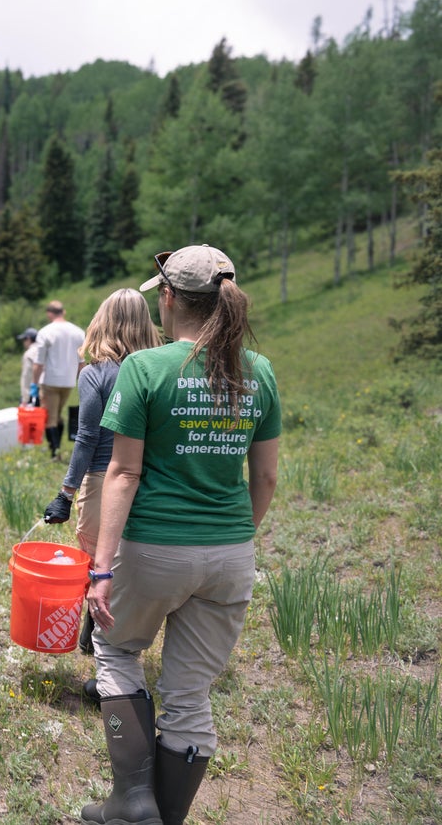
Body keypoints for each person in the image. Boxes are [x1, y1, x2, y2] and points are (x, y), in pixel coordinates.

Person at [80, 245, 280, 825]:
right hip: (230, 554)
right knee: (190, 694)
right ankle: (164, 819)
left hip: (153, 548)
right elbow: (264, 477)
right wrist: (234, 538)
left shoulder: (146, 368)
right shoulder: (258, 371)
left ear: (167, 297)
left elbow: (122, 472)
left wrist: (102, 567)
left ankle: (131, 800)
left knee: (116, 652)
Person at [42, 289, 160, 658]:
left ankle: (96, 639)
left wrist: (65, 493)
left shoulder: (96, 373)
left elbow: (88, 436)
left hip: (101, 478)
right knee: (128, 558)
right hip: (149, 479)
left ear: (102, 322)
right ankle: (108, 637)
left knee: (96, 559)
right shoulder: (158, 369)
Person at [32, 300, 86, 460]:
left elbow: (38, 363)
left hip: (50, 381)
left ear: (49, 313)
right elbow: (81, 361)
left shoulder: (45, 332)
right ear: (63, 312)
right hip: (68, 382)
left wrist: (34, 385)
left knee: (50, 418)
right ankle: (57, 449)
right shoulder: (78, 332)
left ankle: (54, 453)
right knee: (58, 415)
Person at [16, 327, 40, 407]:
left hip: (33, 395)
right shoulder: (44, 350)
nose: (23, 343)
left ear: (28, 339)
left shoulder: (29, 354)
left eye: (24, 340)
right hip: (47, 392)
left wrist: (25, 400)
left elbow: (26, 377)